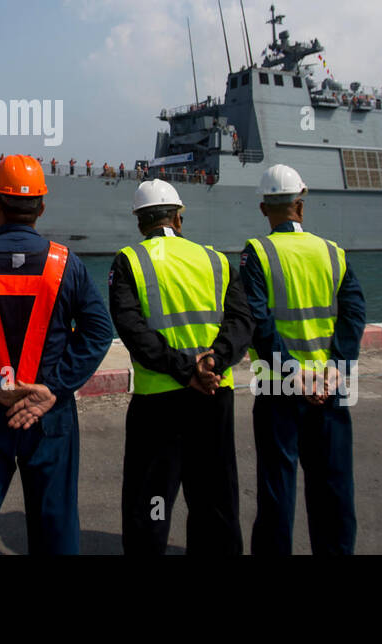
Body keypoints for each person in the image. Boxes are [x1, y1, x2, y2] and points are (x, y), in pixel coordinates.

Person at [0, 155, 113, 554]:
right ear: (41, 208)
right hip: (50, 417)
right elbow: (99, 332)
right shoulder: (68, 264)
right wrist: (53, 389)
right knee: (56, 527)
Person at [110, 179, 252, 555]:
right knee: (215, 498)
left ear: (141, 222)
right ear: (178, 217)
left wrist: (182, 368)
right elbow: (241, 323)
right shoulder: (216, 260)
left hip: (158, 403)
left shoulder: (130, 261)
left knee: (151, 502)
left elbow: (131, 328)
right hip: (213, 396)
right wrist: (213, 361)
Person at [243, 164, 366, 555]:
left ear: (264, 209)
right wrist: (335, 368)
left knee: (278, 487)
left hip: (277, 386)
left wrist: (294, 375)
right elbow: (354, 313)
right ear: (301, 204)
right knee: (333, 486)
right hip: (332, 386)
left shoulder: (257, 253)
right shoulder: (333, 252)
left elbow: (259, 322)